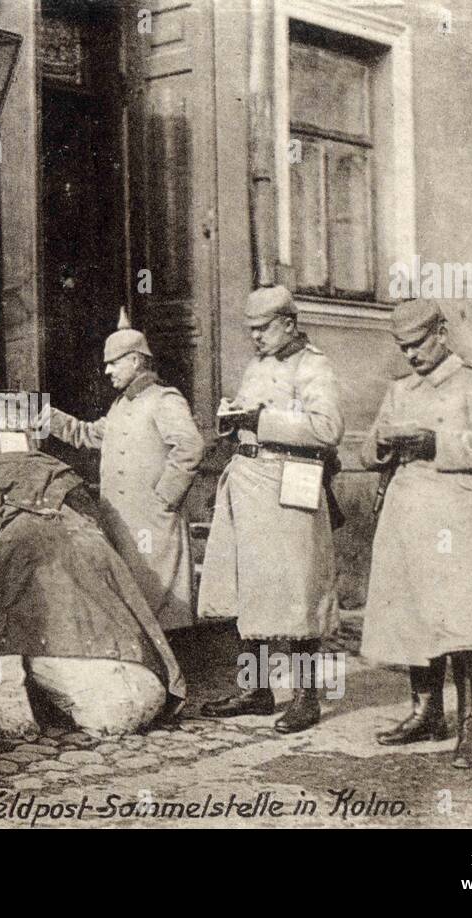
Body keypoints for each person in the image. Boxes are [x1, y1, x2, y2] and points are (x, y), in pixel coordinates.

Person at [360, 299, 472, 768]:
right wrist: (384, 444)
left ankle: (471, 727)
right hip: (408, 513)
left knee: (463, 620)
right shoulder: (401, 390)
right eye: (403, 347)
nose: (410, 356)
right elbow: (369, 451)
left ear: (442, 333)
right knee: (413, 613)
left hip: (462, 514)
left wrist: (437, 443)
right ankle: (426, 712)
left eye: (417, 345)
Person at [197, 286, 344, 733]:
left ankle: (306, 697)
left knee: (297, 591)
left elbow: (327, 429)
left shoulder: (314, 366)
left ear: (289, 323)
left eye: (263, 329)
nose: (256, 338)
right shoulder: (257, 365)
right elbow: (250, 417)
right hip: (250, 481)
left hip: (290, 486)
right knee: (251, 588)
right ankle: (257, 691)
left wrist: (260, 420)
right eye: (251, 330)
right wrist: (234, 420)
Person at [41, 308, 205, 630]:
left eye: (113, 362)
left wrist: (163, 499)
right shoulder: (121, 406)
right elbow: (85, 434)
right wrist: (44, 416)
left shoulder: (164, 399)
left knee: (161, 602)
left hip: (153, 523)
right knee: (134, 603)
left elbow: (190, 447)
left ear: (135, 360)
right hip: (121, 522)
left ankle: (176, 668)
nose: (106, 371)